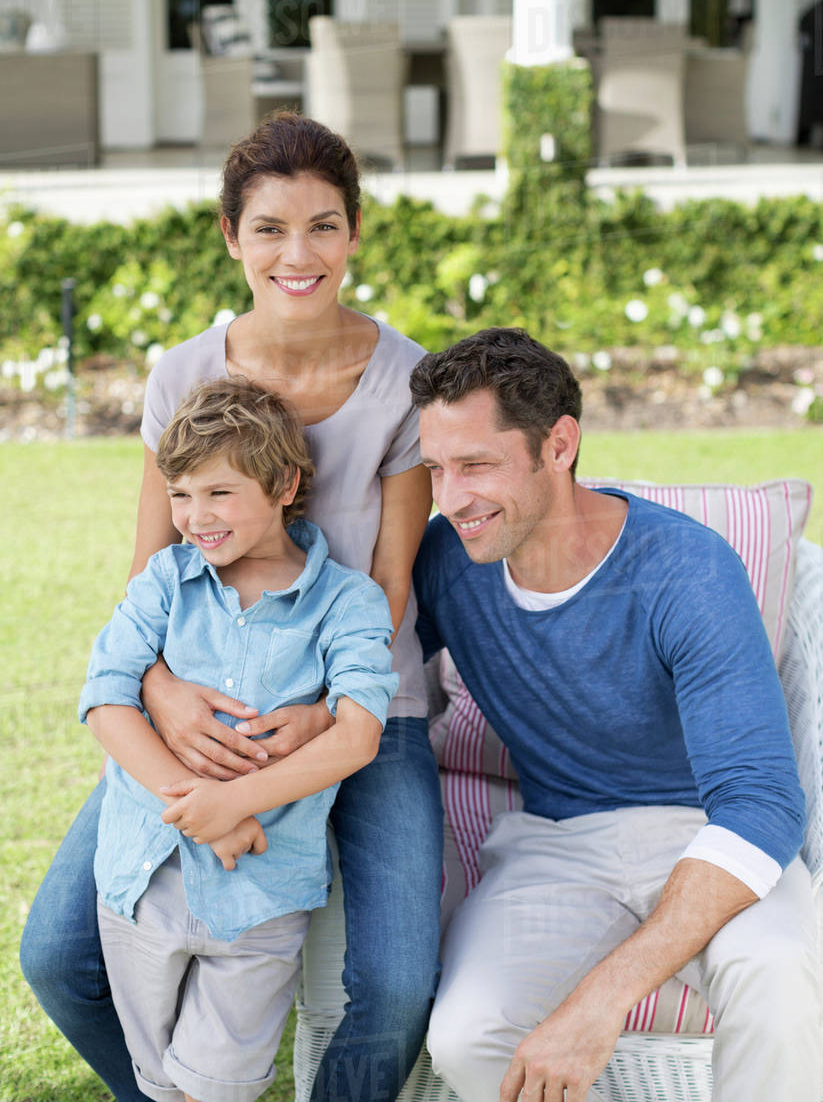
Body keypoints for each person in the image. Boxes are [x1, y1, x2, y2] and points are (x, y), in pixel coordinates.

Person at [20, 111, 443, 1102]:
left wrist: (321, 717)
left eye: (324, 226)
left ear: (354, 231)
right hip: (202, 701)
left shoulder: (405, 380)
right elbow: (150, 565)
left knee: (394, 987)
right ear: (230, 237)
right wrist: (164, 695)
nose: (299, 255)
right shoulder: (183, 375)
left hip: (361, 703)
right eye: (269, 229)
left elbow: (388, 585)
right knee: (57, 956)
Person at [408, 327, 821, 1102]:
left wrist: (600, 999)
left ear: (558, 445)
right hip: (555, 844)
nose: (451, 498)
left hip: (705, 831)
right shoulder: (450, 560)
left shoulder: (686, 570)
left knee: (778, 979)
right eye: (435, 469)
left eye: (476, 465)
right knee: (467, 1037)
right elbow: (357, 656)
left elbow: (760, 802)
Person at [83, 377, 398, 1102]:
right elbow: (105, 698)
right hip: (142, 880)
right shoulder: (166, 581)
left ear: (284, 485)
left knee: (216, 1088)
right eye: (180, 494)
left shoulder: (347, 602)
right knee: (161, 1085)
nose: (196, 517)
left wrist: (237, 805)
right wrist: (203, 805)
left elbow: (357, 736)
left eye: (219, 493)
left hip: (263, 893)